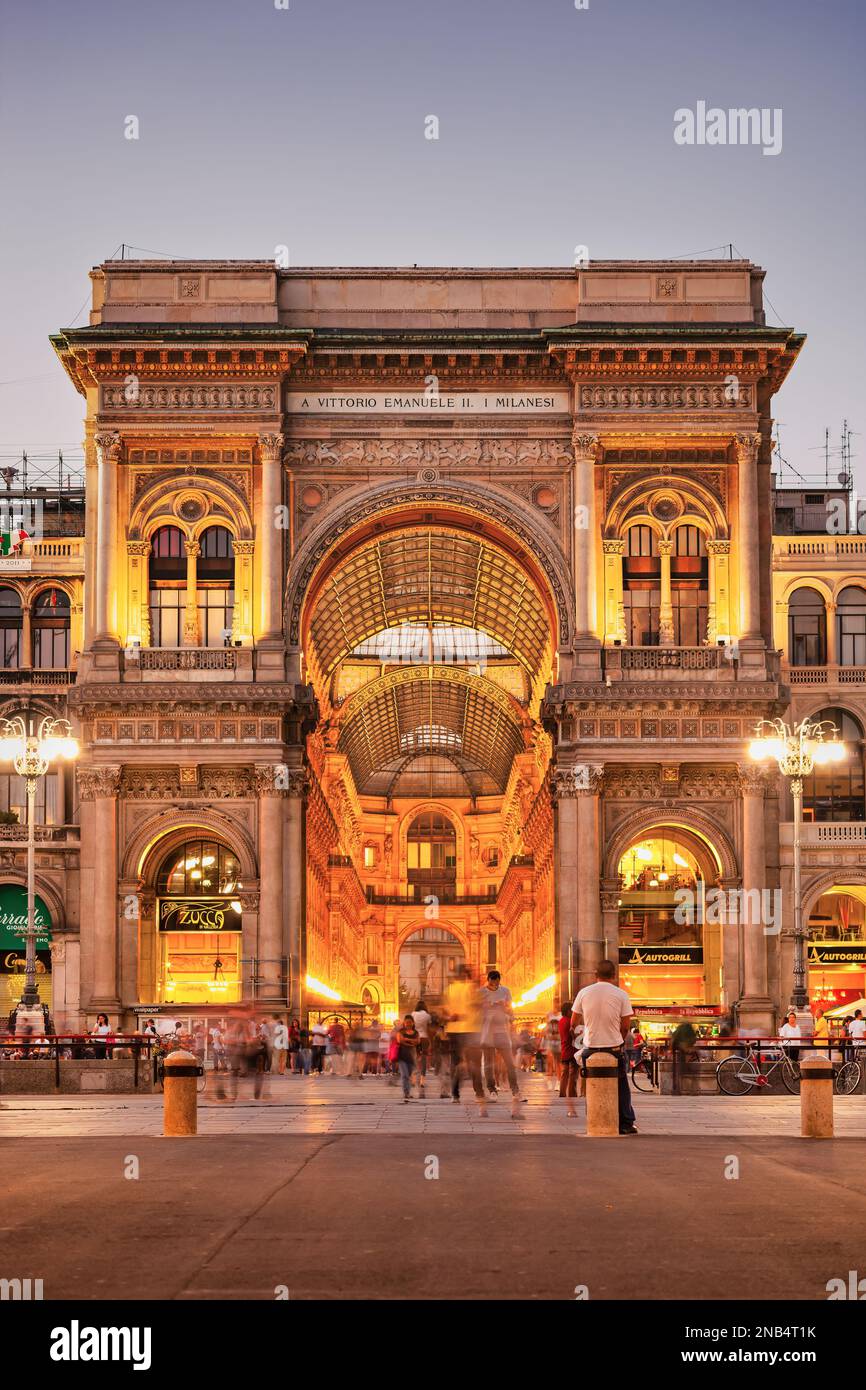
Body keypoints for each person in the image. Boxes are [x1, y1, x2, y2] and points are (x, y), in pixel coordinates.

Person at [571, 959, 637, 1135]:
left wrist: (582, 1036)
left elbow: (574, 1023)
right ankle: (625, 1123)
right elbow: (625, 1026)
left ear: (595, 975)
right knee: (622, 1085)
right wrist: (619, 1040)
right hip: (613, 1047)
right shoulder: (621, 994)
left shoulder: (583, 993)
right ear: (614, 976)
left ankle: (594, 1116)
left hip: (590, 1047)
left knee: (591, 1083)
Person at [444, 965, 486, 1115]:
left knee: (455, 1062)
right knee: (474, 1063)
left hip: (454, 1030)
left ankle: (455, 1094)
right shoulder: (473, 988)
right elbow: (479, 1006)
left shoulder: (450, 989)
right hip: (471, 1030)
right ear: (468, 975)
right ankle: (478, 1093)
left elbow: (447, 1011)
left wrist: (453, 1016)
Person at [479, 970, 522, 1115]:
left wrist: (508, 1011)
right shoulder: (481, 992)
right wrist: (490, 1005)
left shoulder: (506, 991)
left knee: (509, 1062)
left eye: (497, 983)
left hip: (502, 1030)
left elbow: (510, 1009)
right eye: (492, 983)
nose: (495, 986)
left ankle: (515, 1091)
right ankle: (492, 1090)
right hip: (487, 1031)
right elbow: (477, 1011)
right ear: (488, 981)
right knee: (489, 1064)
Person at [558, 1000, 579, 1117]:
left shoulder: (561, 1021)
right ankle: (572, 1093)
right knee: (573, 1074)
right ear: (567, 1011)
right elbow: (572, 1035)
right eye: (572, 1010)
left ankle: (562, 1093)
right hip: (572, 1050)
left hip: (565, 1050)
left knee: (565, 1073)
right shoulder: (569, 1022)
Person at [395, 1014, 420, 1102]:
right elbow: (399, 1040)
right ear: (404, 1023)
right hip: (402, 1055)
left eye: (410, 1022)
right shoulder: (400, 1032)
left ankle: (407, 1092)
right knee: (404, 1075)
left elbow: (418, 1041)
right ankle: (406, 1093)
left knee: (409, 1075)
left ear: (413, 1023)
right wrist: (411, 1042)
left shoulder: (416, 1032)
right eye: (406, 1022)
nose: (408, 1024)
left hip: (412, 1056)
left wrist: (406, 1039)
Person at [411, 999, 432, 1094]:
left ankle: (413, 1079)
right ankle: (422, 1081)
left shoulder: (413, 1014)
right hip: (424, 1038)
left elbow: (411, 1026)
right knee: (424, 1059)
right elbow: (429, 1028)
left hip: (415, 1037)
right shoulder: (427, 1016)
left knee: (414, 1058)